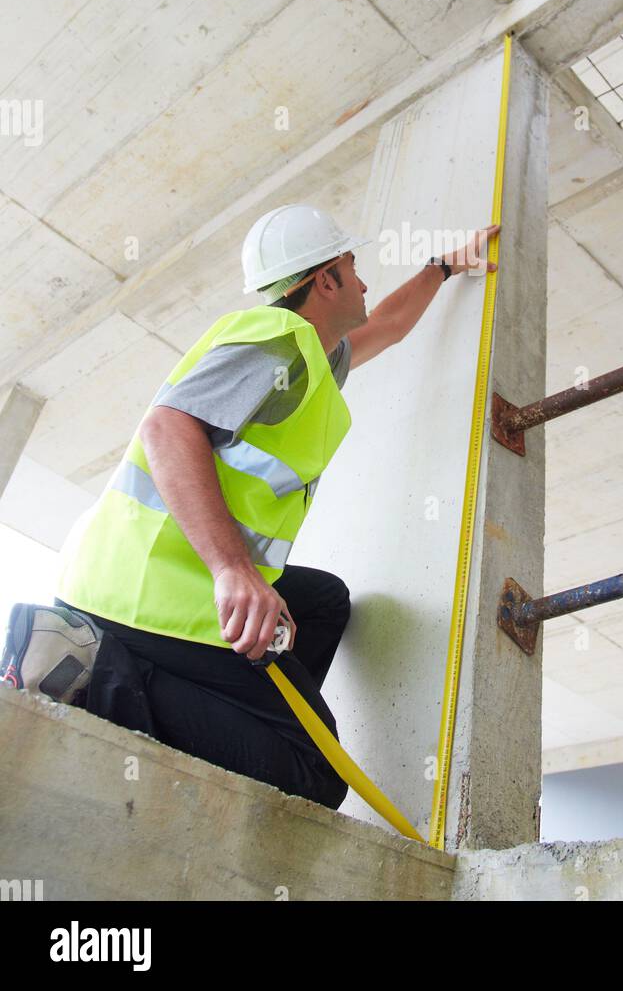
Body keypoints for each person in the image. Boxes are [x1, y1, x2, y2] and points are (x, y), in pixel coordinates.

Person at [3, 205, 498, 810]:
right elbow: (168, 428)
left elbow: (389, 326)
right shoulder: (279, 341)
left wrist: (445, 267)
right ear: (325, 281)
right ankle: (94, 672)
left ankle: (231, 715)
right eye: (352, 265)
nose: (364, 280)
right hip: (145, 601)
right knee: (315, 773)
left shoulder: (314, 357)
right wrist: (232, 570)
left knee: (322, 602)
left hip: (141, 579)